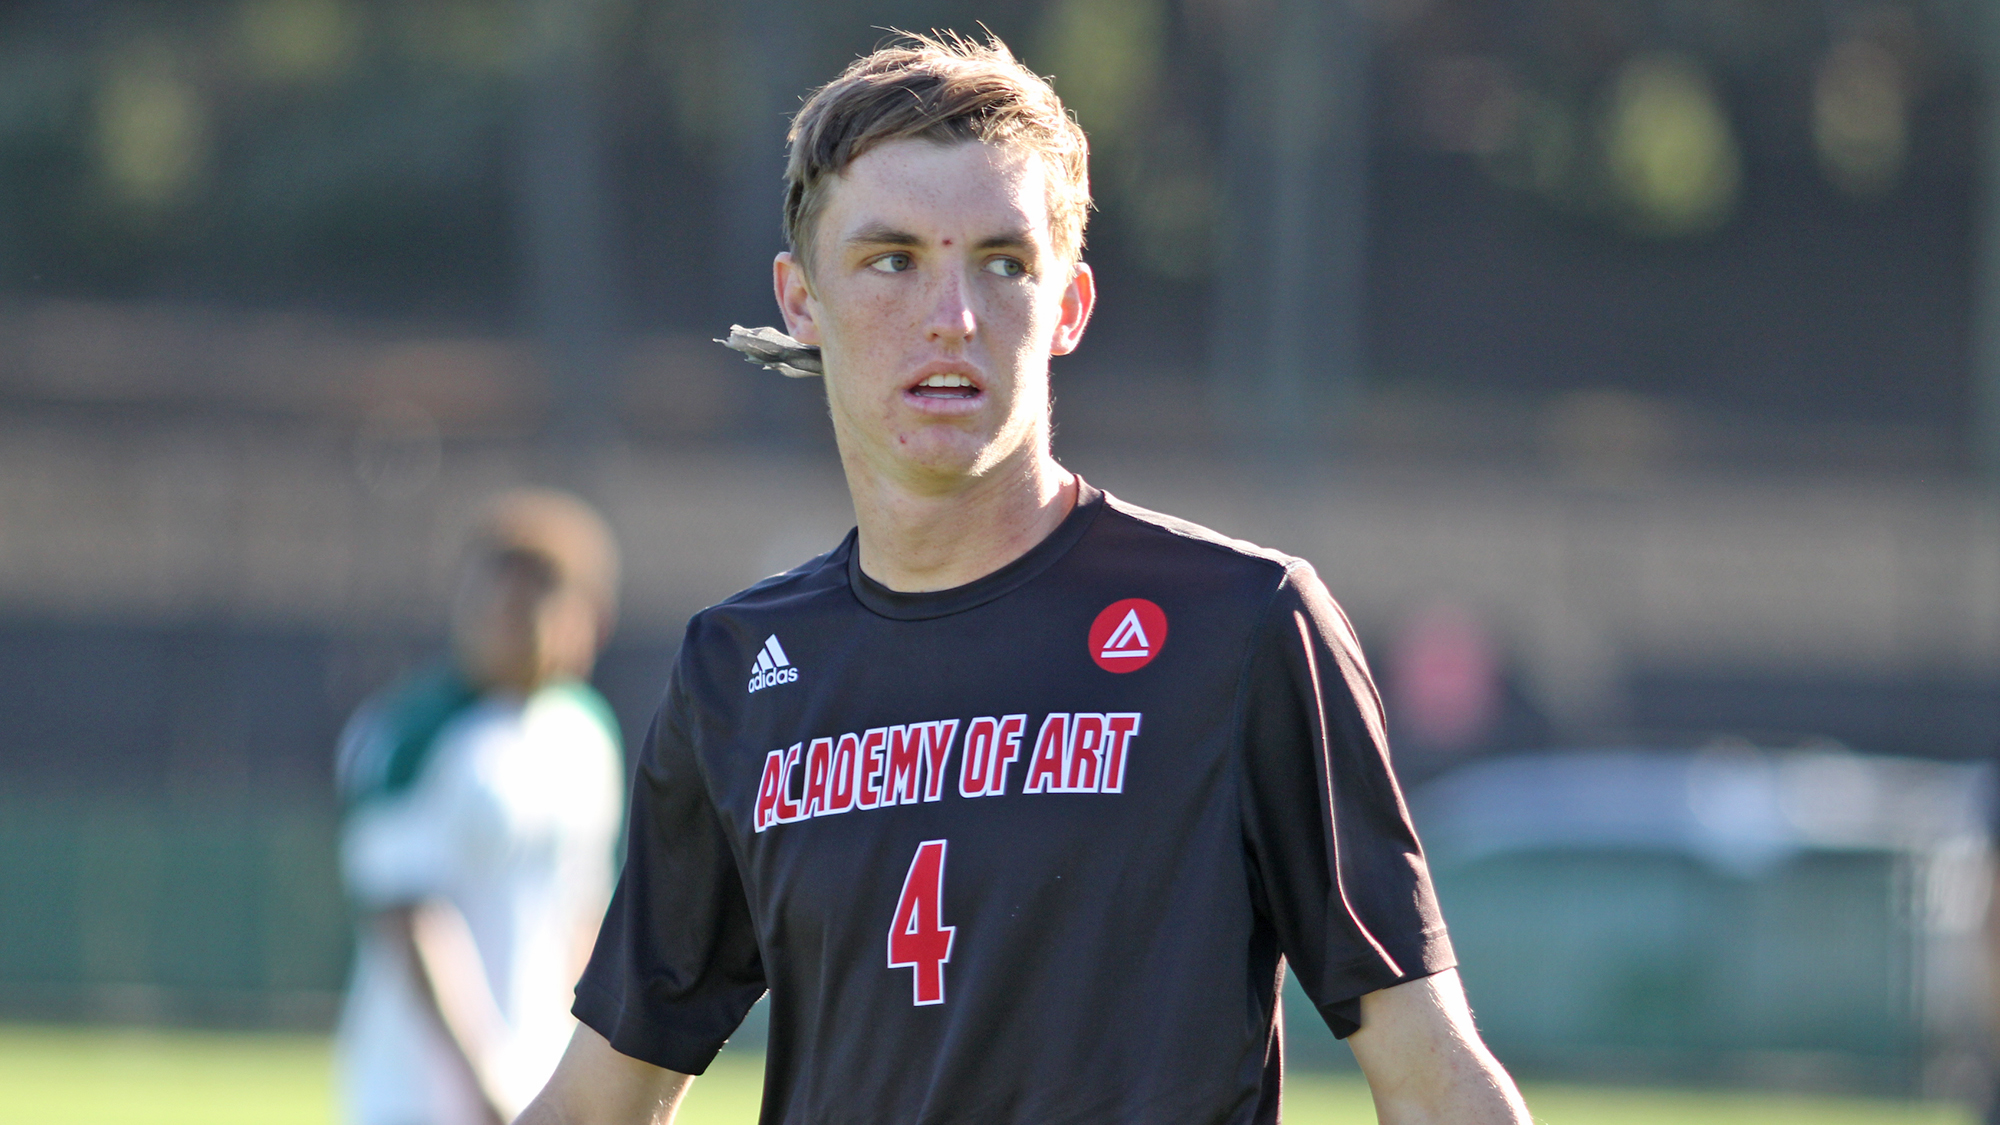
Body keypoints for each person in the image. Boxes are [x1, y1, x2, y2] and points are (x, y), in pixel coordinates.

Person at [521, 31, 1531, 1125]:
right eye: (892, 259)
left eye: (1003, 262)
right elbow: (597, 1101)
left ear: (1070, 306)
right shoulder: (739, 668)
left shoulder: (1240, 628)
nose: (951, 315)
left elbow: (1431, 1074)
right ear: (800, 299)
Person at [335, 488, 626, 1125]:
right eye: (483, 604)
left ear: (584, 618)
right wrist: (486, 1071)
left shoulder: (586, 734)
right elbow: (407, 918)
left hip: (543, 1076)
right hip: (416, 1090)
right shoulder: (410, 733)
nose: (496, 625)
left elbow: (583, 917)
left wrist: (587, 1062)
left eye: (522, 609)